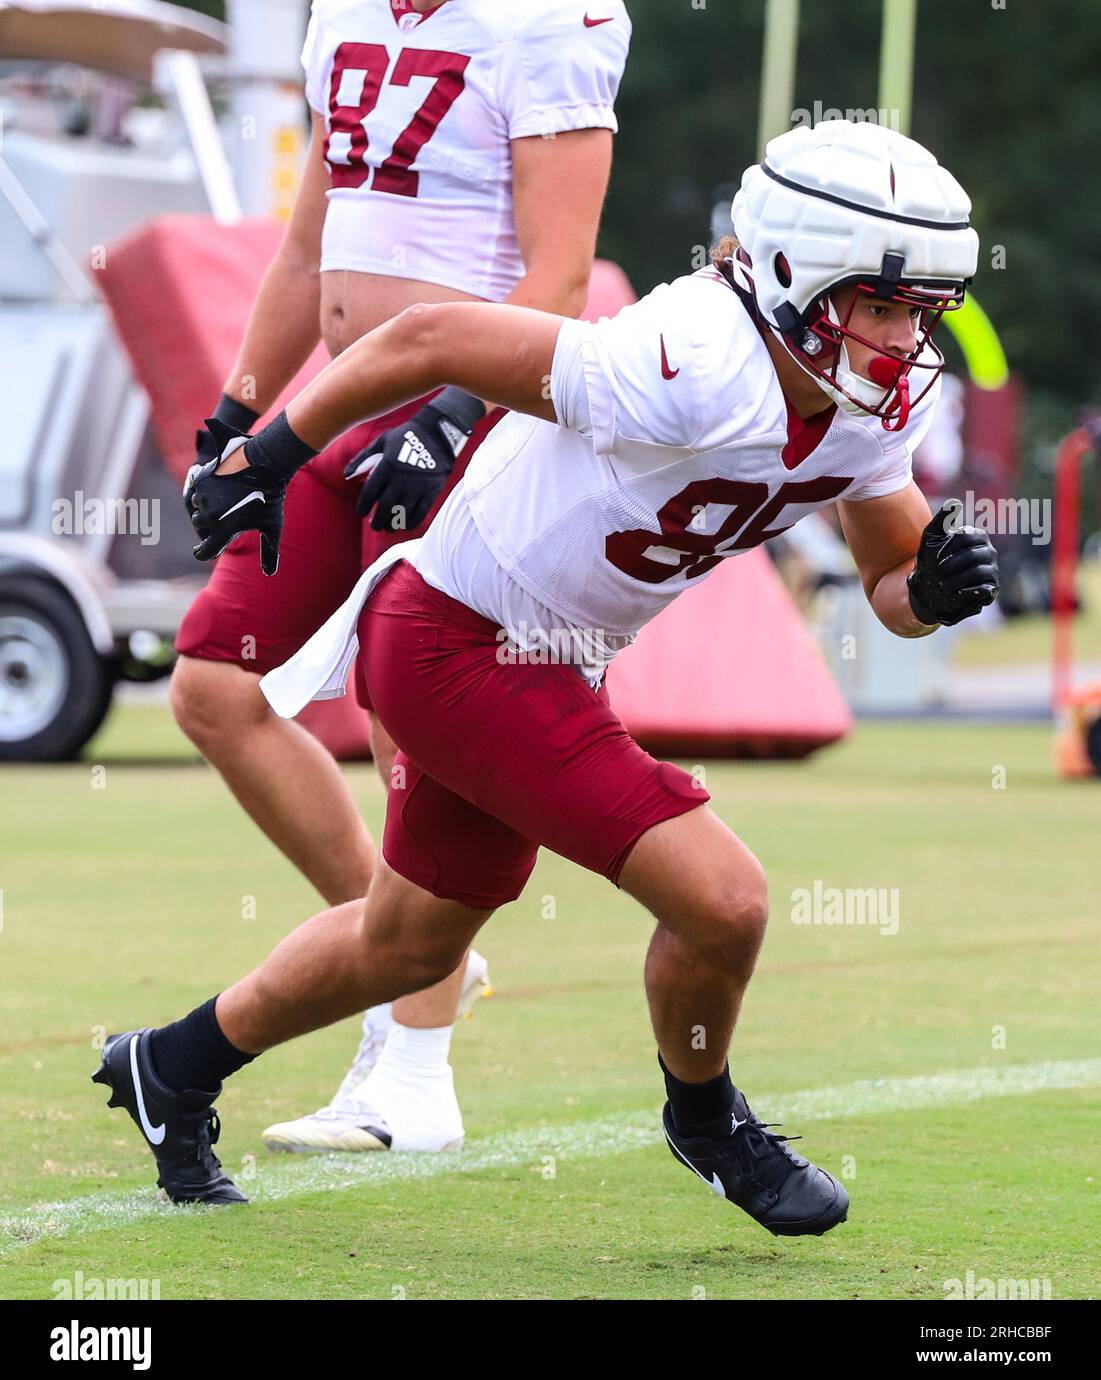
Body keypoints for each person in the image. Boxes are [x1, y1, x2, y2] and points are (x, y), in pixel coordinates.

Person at [96, 120, 998, 1235]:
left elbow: (891, 583)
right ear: (794, 277)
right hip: (455, 641)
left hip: (538, 655)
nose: (906, 338)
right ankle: (708, 1121)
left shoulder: (867, 401)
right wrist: (269, 454)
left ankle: (168, 1067)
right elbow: (428, 336)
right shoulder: (687, 357)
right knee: (726, 899)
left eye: (920, 312)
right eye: (884, 304)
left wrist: (936, 587)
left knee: (408, 943)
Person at [169, 0, 631, 1154]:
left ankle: (412, 1067)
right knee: (215, 683)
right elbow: (305, 247)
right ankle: (415, 955)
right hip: (339, 404)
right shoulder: (349, 12)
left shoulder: (542, 19)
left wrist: (457, 407)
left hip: (463, 423)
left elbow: (561, 277)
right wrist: (237, 410)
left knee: (412, 720)